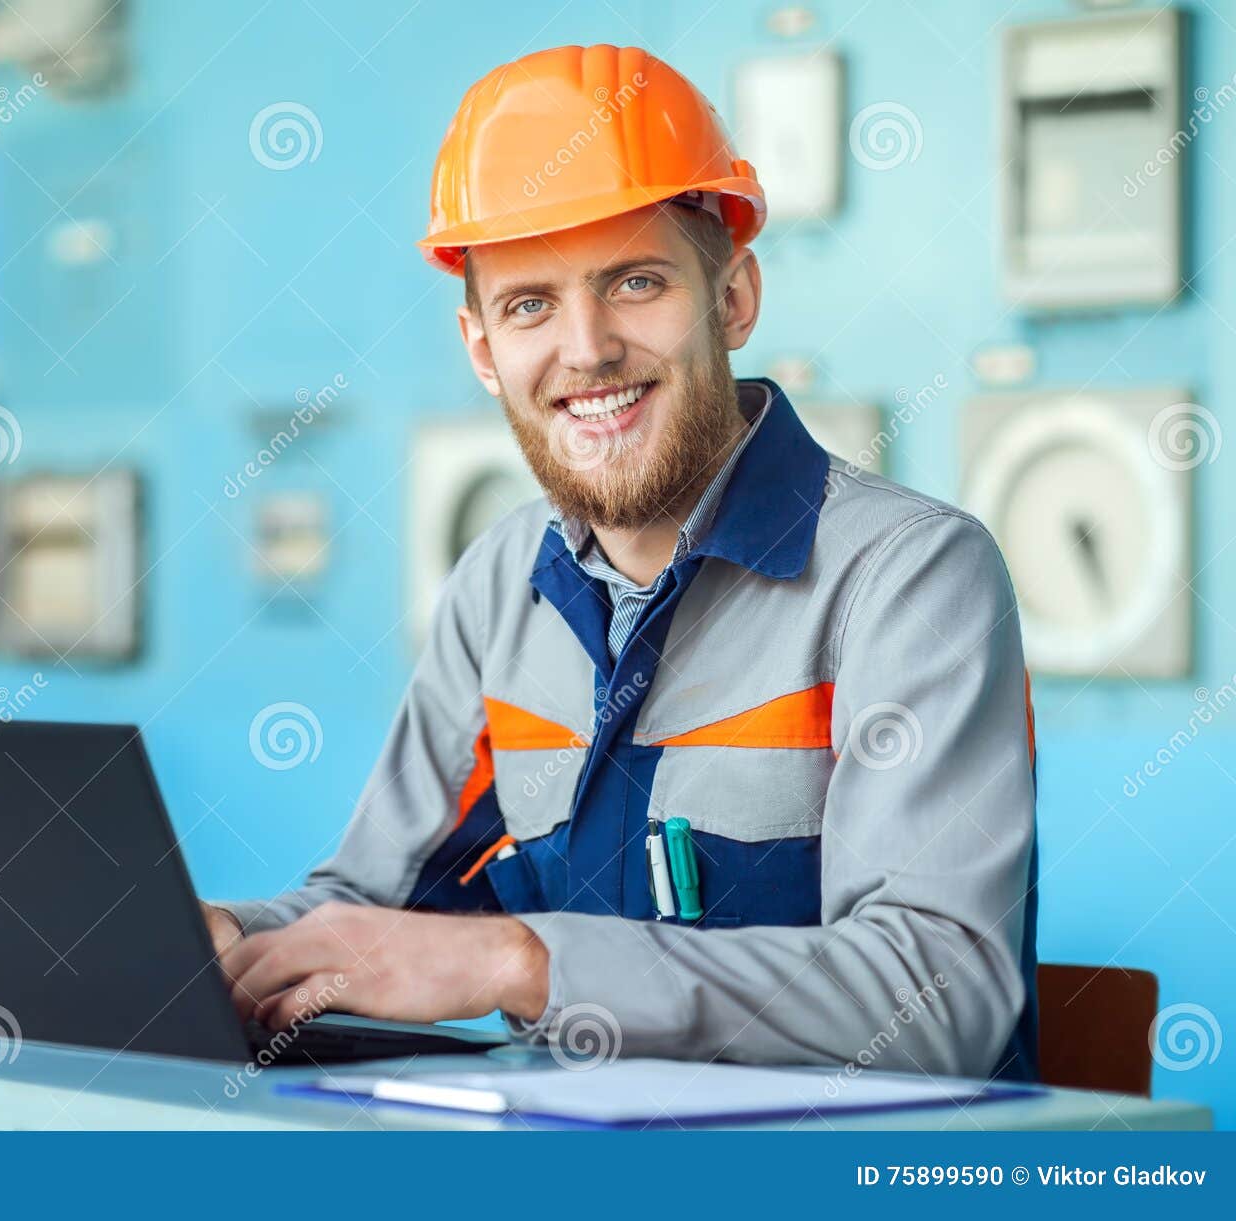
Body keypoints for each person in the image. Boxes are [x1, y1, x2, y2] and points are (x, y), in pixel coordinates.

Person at [208, 44, 1038, 1080]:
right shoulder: (500, 583)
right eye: (529, 305)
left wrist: (522, 961)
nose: (587, 348)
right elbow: (372, 911)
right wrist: (216, 937)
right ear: (481, 350)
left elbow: (937, 999)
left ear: (732, 299)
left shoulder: (909, 578)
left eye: (635, 282)